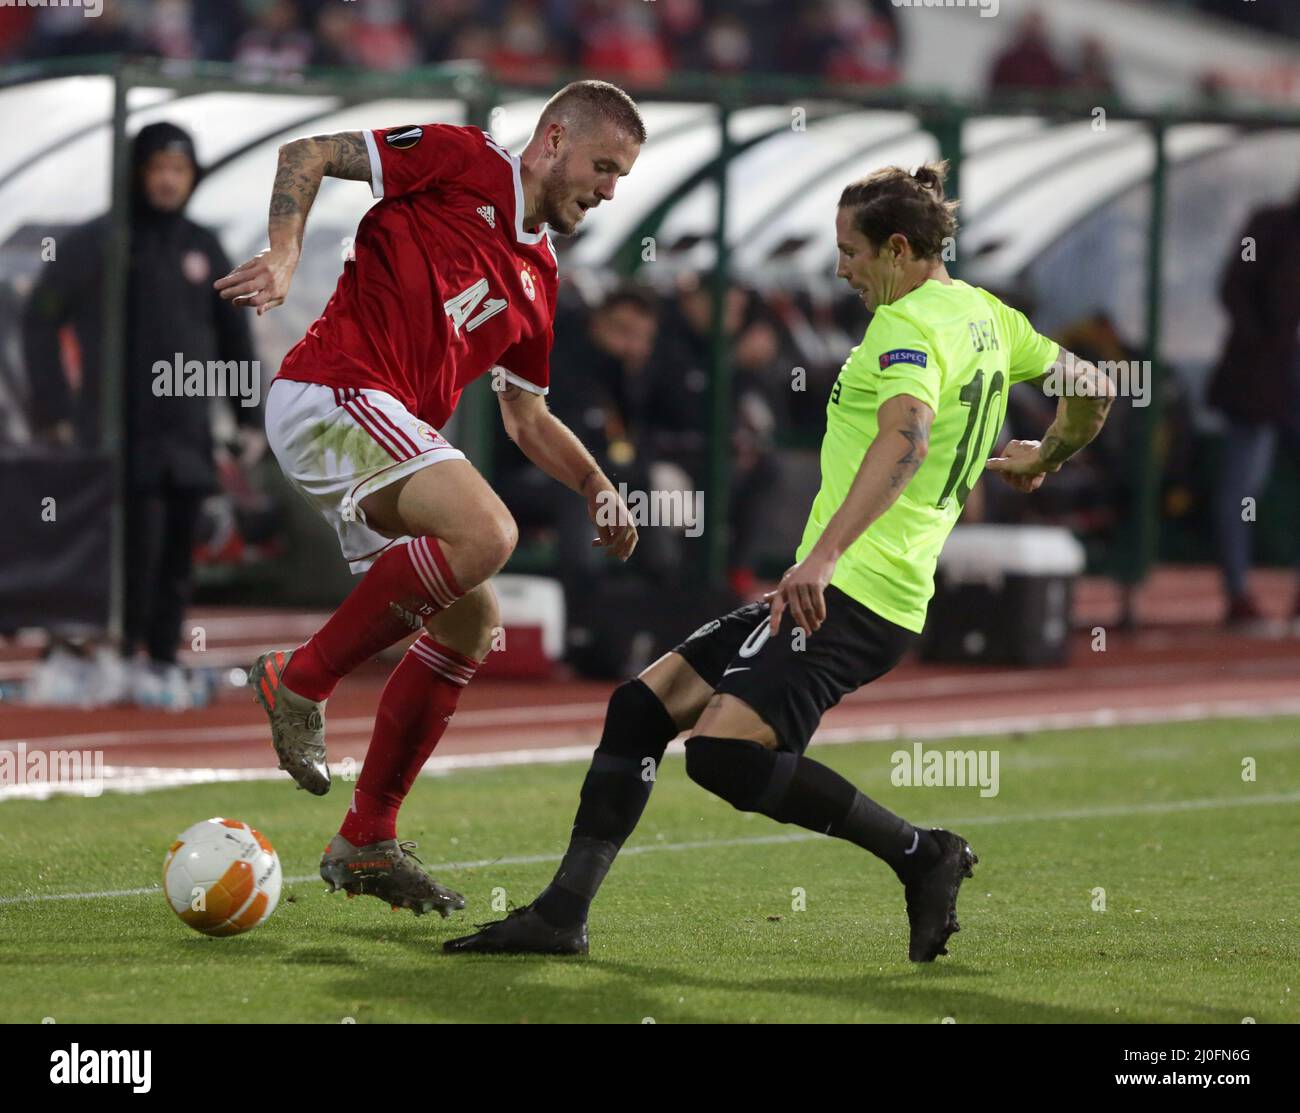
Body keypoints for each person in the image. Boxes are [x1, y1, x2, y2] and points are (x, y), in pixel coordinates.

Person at [446, 161, 1114, 962]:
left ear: (899, 249)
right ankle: (562, 914)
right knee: (640, 708)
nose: (841, 268)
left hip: (853, 590)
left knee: (724, 754)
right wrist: (1049, 454)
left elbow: (907, 438)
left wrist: (823, 556)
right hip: (870, 590)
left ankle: (922, 854)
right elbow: (1094, 386)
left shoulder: (905, 326)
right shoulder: (989, 317)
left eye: (851, 250)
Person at [217, 81, 644, 917]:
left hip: (378, 430)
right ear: (554, 138)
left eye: (622, 177)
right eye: (603, 167)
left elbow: (526, 417)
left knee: (471, 623)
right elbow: (308, 152)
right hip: (330, 391)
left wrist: (595, 482)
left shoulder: (540, 276)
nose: (608, 191)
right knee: (488, 533)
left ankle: (367, 837)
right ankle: (298, 677)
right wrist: (285, 253)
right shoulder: (462, 158)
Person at [22, 121, 260, 709]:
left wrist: (249, 417)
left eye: (179, 170)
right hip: (117, 436)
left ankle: (160, 659)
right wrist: (54, 407)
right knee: (132, 549)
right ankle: (112, 653)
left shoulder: (203, 246)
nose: (168, 181)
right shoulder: (99, 241)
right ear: (136, 173)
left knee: (178, 551)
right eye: (158, 169)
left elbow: (235, 336)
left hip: (187, 434)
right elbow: (40, 316)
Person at [1206, 189, 1300, 627]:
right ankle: (1238, 592)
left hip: (1280, 372)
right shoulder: (1269, 225)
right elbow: (1233, 287)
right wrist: (1267, 344)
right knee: (1244, 489)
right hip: (1260, 380)